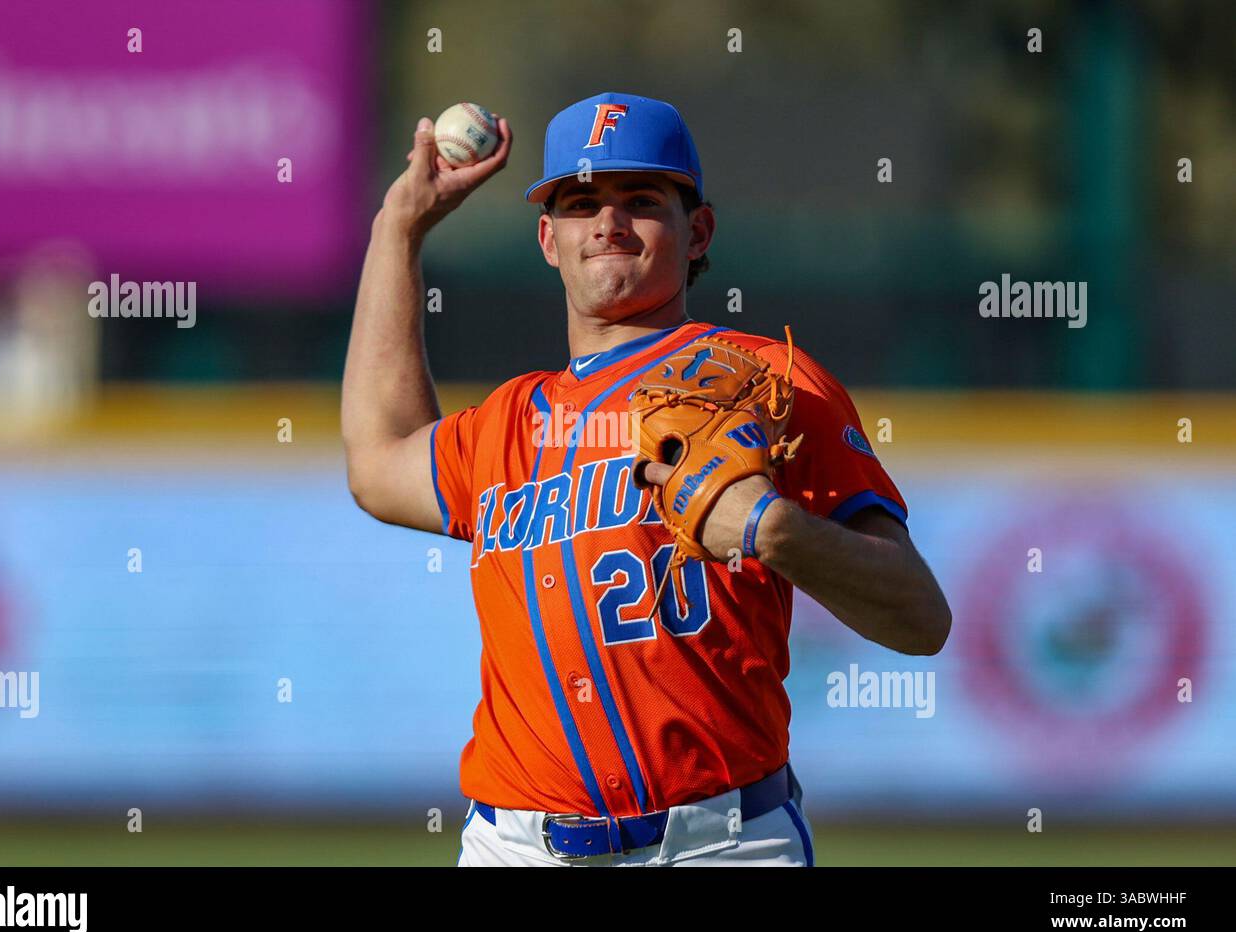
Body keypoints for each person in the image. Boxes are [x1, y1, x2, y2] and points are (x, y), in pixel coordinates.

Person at [341, 92, 951, 866]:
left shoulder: (763, 382)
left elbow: (921, 618)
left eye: (640, 199)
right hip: (516, 845)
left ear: (697, 231)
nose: (607, 223)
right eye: (580, 202)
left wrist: (779, 533)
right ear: (547, 239)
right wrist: (398, 228)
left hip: (720, 843)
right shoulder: (506, 422)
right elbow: (378, 460)